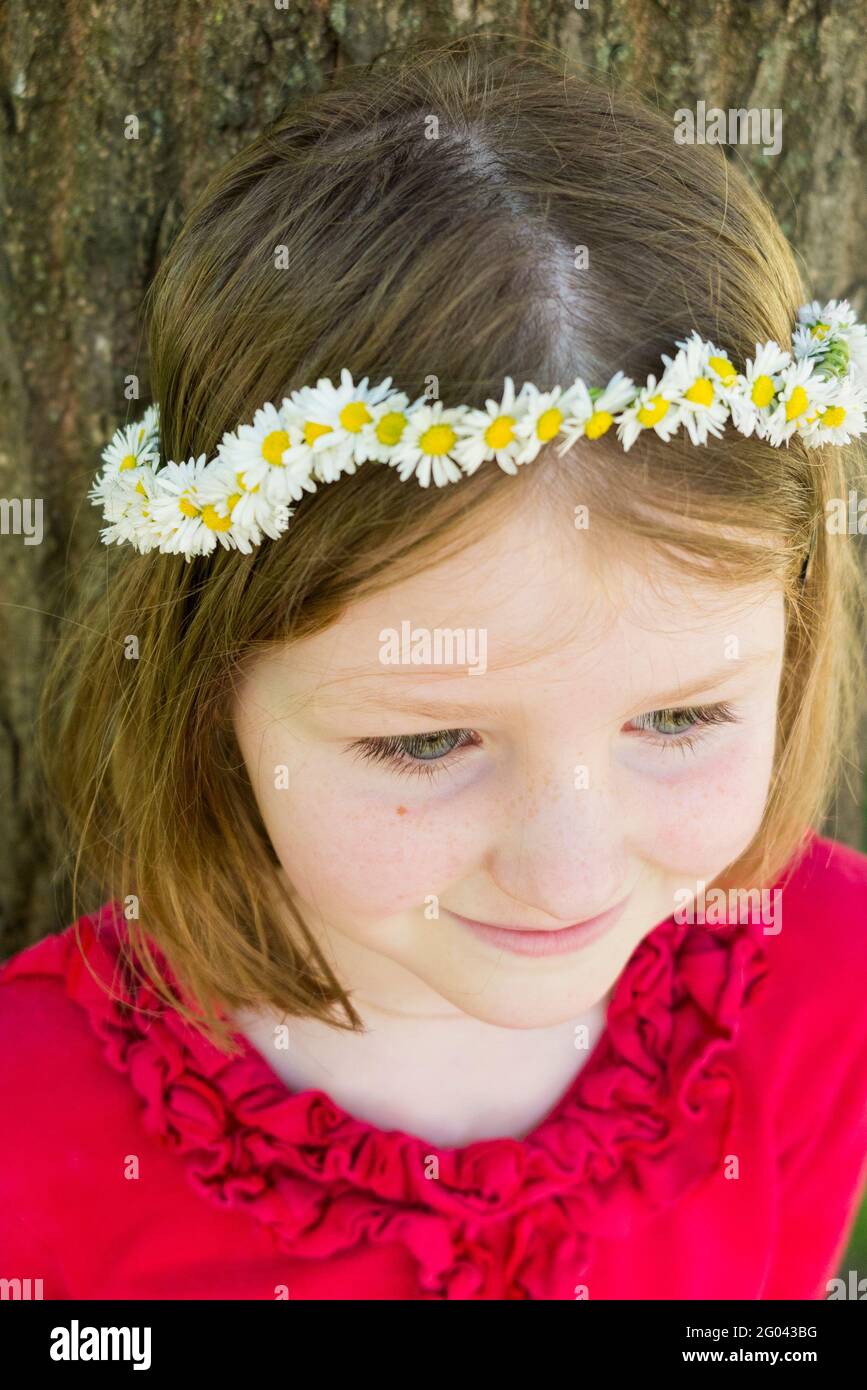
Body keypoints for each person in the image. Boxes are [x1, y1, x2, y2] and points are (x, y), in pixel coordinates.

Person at [2, 39, 866, 1301]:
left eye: (680, 717)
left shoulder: (825, 978)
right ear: (208, 682)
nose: (567, 872)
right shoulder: (29, 1123)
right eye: (424, 742)